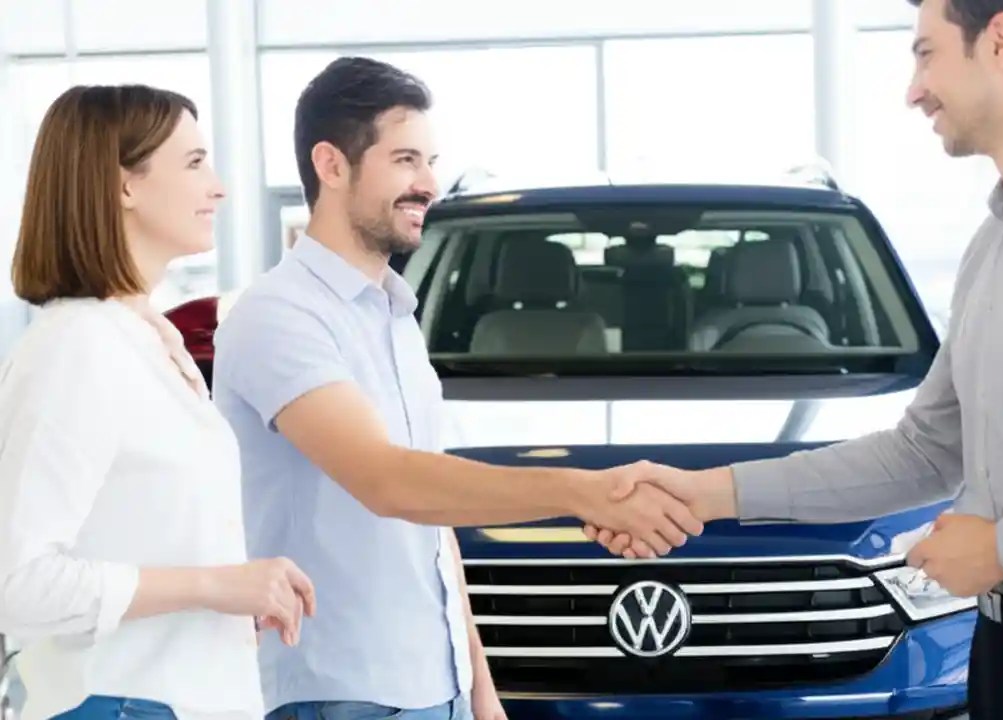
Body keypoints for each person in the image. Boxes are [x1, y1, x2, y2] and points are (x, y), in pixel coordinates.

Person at [587, 1, 1003, 718]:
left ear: (1000, 41)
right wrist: (709, 493)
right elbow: (923, 452)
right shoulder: (997, 242)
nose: (914, 90)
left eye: (925, 54)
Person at [210, 57, 700, 720]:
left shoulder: (396, 315)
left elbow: (432, 519)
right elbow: (390, 482)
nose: (428, 183)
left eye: (430, 161)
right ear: (331, 165)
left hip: (432, 686)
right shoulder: (279, 316)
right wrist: (582, 491)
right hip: (338, 692)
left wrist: (479, 686)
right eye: (406, 159)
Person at [0, 84, 316, 720]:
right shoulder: (77, 347)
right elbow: (16, 583)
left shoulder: (148, 337)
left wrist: (226, 590)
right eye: (195, 163)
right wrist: (214, 585)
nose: (220, 187)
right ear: (123, 186)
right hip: (120, 703)